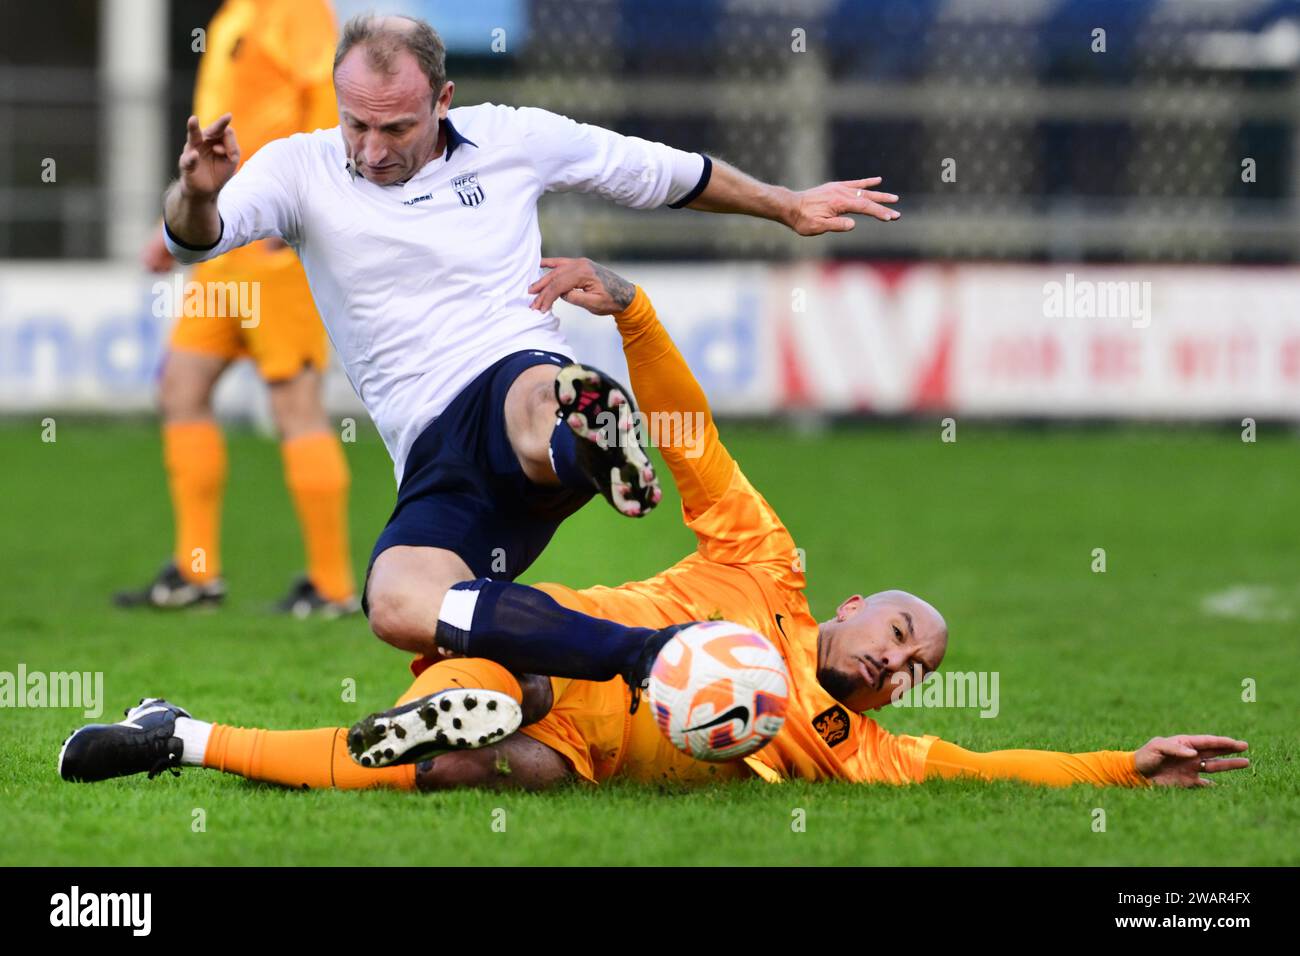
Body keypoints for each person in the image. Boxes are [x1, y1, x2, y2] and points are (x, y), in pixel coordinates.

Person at [60, 261, 1250, 793]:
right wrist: (633, 314)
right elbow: (689, 437)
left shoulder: (846, 745)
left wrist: (1121, 768)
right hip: (545, 640)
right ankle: (484, 665)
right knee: (507, 692)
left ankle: (183, 735)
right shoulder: (762, 562)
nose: (897, 658)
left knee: (495, 763)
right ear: (848, 603)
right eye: (897, 627)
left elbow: (988, 765)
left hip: (583, 751)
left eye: (913, 665)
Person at [157, 12, 904, 657]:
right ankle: (648, 658)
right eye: (357, 124)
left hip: (512, 370)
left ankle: (591, 438)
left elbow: (660, 172)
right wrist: (195, 189)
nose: (373, 149)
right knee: (397, 600)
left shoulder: (513, 136)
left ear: (444, 99)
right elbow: (200, 239)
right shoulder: (299, 167)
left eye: (398, 127)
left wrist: (787, 206)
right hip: (429, 451)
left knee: (536, 397)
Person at [116, 0, 359, 617]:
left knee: (293, 406)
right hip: (222, 243)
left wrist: (303, 205)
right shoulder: (233, 16)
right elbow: (214, 135)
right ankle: (198, 573)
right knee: (180, 387)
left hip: (274, 246)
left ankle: (331, 587)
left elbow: (326, 100)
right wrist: (173, 225)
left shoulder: (298, 8)